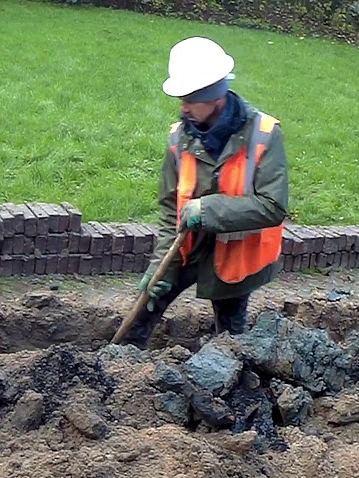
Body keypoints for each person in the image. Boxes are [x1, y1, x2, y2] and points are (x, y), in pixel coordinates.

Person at [123, 36, 289, 349]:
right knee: (149, 300)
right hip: (188, 247)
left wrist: (209, 210)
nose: (182, 107)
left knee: (230, 338)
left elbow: (273, 206)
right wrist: (161, 266)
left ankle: (230, 382)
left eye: (190, 98)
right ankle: (120, 361)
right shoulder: (179, 137)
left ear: (215, 96)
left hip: (236, 258)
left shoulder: (264, 134)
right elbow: (172, 207)